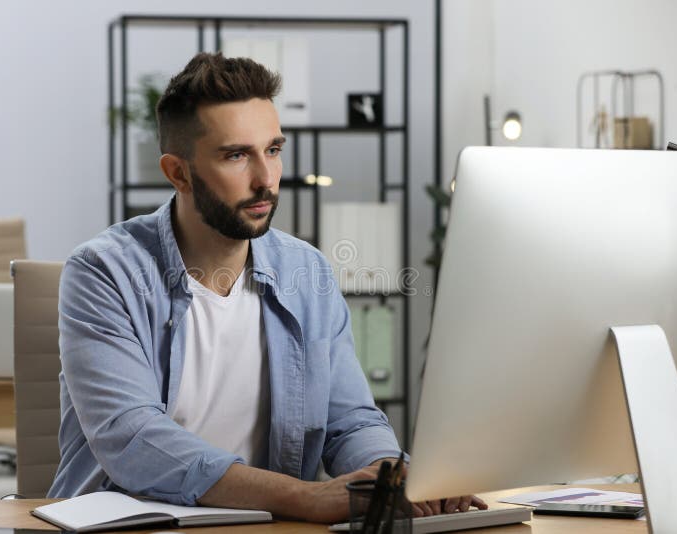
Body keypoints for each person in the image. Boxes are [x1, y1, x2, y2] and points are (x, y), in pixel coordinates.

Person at [48, 52, 485, 522]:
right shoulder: (103, 272)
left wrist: (389, 476)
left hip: (264, 527)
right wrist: (306, 497)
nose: (266, 180)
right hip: (128, 525)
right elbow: (131, 438)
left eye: (273, 150)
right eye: (236, 155)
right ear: (178, 173)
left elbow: (349, 421)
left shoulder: (308, 271)